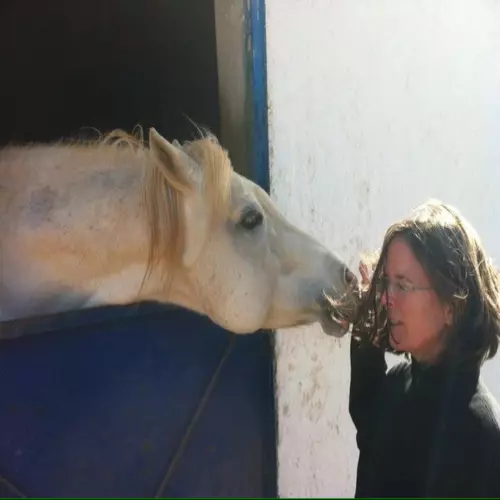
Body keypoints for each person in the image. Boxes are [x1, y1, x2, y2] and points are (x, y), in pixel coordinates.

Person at [349, 199, 500, 497]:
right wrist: (365, 328)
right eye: (386, 282)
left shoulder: (479, 434)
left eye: (403, 285)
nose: (386, 299)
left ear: (452, 306)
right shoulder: (398, 385)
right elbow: (368, 420)